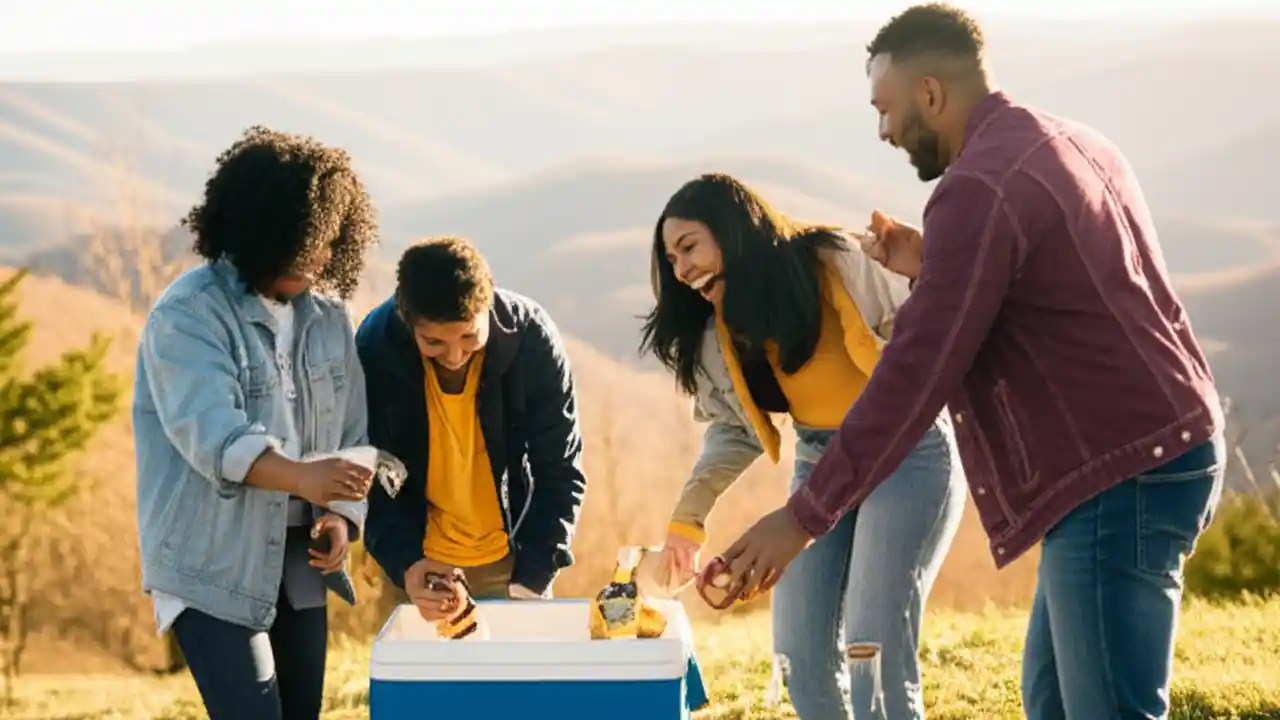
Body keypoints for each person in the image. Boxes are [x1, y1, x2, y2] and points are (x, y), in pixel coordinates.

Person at [717, 5, 1227, 720]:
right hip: (1155, 448)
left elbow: (913, 377)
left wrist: (803, 517)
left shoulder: (977, 190)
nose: (884, 131)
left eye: (886, 109)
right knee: (1050, 703)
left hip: (1123, 474)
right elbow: (1067, 285)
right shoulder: (1068, 140)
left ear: (930, 93)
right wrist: (936, 262)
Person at [641, 173, 966, 719]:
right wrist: (686, 523)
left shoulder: (833, 260)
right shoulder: (717, 332)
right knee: (800, 655)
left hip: (908, 453)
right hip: (819, 462)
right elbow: (735, 429)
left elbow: (923, 335)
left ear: (733, 231)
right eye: (671, 257)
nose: (681, 268)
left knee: (873, 648)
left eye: (690, 246)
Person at [134, 126, 380, 720]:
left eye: (325, 243)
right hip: (211, 560)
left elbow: (351, 434)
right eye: (304, 245)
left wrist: (340, 517)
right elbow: (214, 438)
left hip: (300, 559)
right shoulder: (188, 314)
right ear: (261, 235)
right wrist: (303, 477)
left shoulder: (327, 316)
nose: (319, 257)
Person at [356, 235, 587, 620]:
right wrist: (407, 564)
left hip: (514, 559)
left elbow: (561, 469)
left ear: (488, 307)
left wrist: (535, 573)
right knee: (426, 679)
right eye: (433, 342)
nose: (454, 355)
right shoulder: (376, 348)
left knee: (521, 678)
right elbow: (371, 472)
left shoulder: (531, 340)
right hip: (422, 565)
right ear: (406, 319)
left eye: (468, 336)